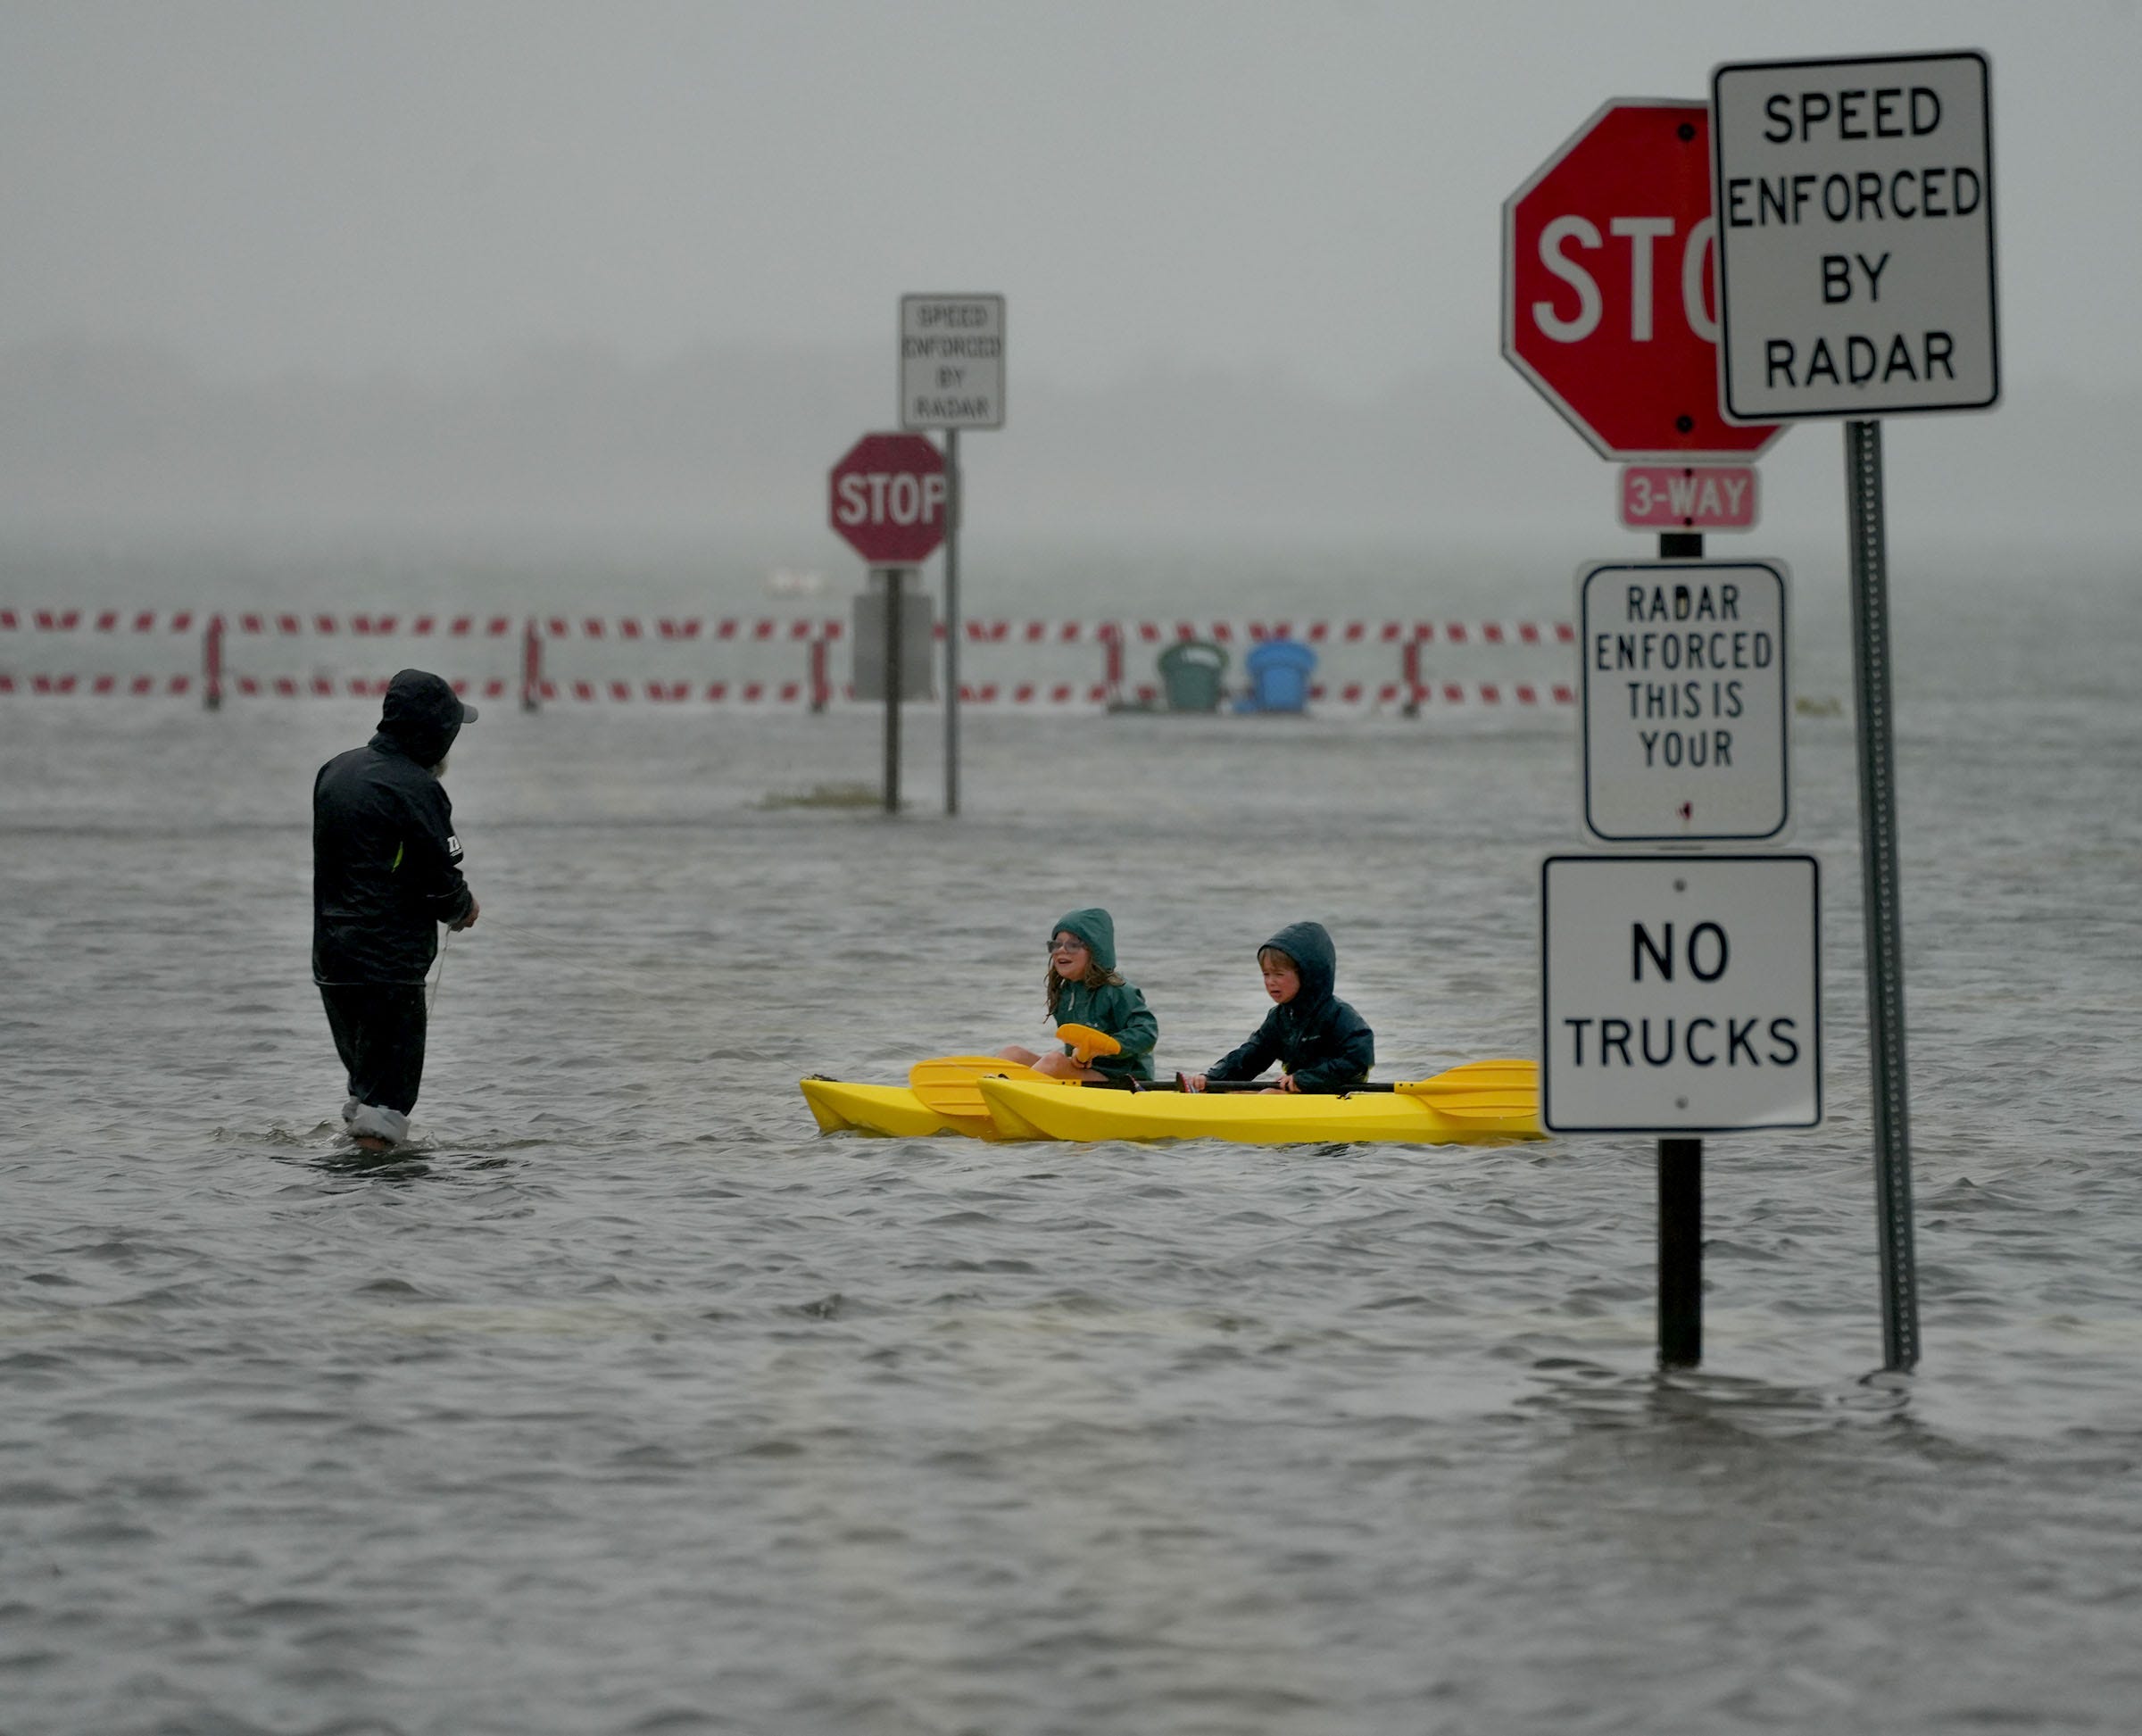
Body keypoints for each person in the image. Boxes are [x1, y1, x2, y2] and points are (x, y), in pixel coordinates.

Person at [312, 669, 481, 1150]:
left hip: (332, 964)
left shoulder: (335, 770)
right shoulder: (417, 788)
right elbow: (440, 878)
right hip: (389, 967)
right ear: (435, 734)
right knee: (387, 1104)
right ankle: (383, 1213)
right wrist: (462, 907)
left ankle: (345, 1199)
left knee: (365, 1092)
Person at [1183, 920, 1374, 1094]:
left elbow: (1359, 1059)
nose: (1270, 982)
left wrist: (1307, 1080)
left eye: (1279, 974)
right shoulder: (1280, 1018)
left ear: (1307, 975)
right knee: (1235, 1093)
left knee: (1267, 1094)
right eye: (1265, 974)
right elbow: (1252, 1055)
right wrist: (1213, 1079)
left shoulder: (1338, 1014)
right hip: (1299, 1091)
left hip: (1341, 1093)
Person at [998, 908, 1158, 1083]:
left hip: (1121, 1079)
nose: (1061, 950)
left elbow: (1146, 1032)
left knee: (1054, 1061)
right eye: (1056, 944)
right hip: (1082, 1072)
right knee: (1012, 1054)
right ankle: (983, 1094)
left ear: (1095, 950)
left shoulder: (1118, 990)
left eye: (1073, 945)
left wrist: (1105, 1046)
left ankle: (1010, 1095)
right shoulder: (1065, 991)